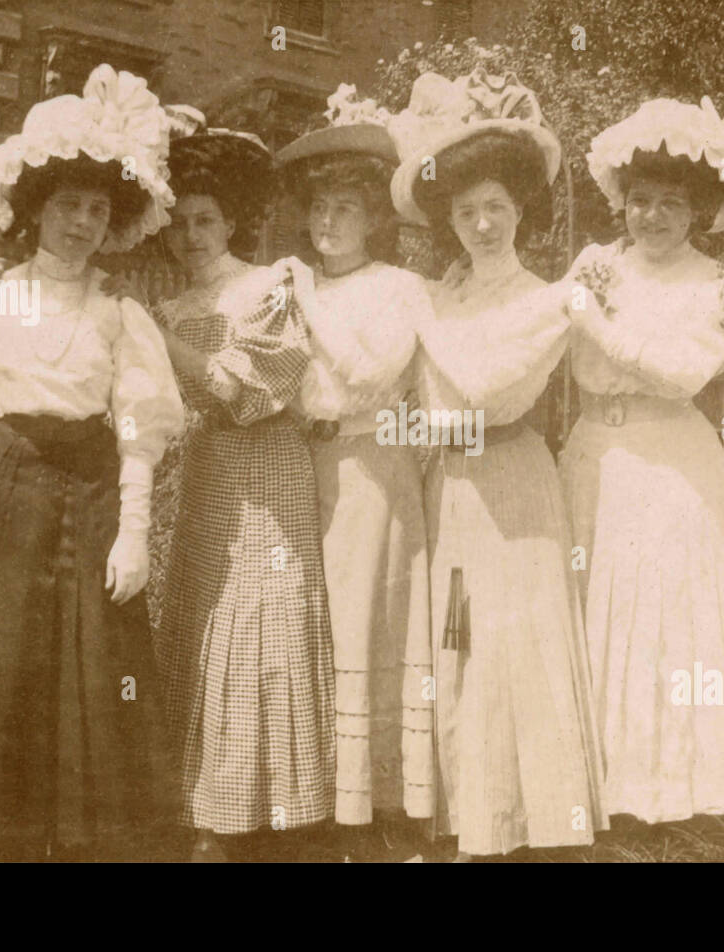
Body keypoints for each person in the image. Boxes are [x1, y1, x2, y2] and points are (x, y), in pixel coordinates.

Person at [0, 65, 184, 860]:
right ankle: (13, 829)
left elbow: (139, 429)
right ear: (36, 208)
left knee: (95, 656)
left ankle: (87, 830)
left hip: (95, 488)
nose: (83, 222)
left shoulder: (119, 314)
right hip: (7, 489)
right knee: (6, 654)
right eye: (69, 205)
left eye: (99, 209)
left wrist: (134, 532)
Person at [387, 68, 605, 860]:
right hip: (452, 487)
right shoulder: (442, 295)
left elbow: (487, 395)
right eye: (468, 211)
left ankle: (542, 820)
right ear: (450, 218)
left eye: (498, 210)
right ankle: (474, 815)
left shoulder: (545, 299)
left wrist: (427, 328)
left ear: (523, 214)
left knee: (518, 641)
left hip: (512, 479)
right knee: (463, 642)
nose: (483, 225)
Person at [559, 97, 724, 825]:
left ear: (700, 211)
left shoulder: (719, 281)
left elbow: (684, 375)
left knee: (666, 613)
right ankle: (595, 784)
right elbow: (560, 345)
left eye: (672, 204)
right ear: (621, 201)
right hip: (595, 456)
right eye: (640, 200)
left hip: (674, 463)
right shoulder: (595, 265)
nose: (651, 217)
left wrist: (602, 329)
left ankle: (677, 791)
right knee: (596, 606)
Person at [145, 116, 335, 862]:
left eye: (207, 220)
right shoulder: (165, 309)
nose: (194, 235)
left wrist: (162, 343)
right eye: (182, 223)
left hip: (270, 466)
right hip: (208, 472)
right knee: (207, 615)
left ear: (232, 222)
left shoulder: (268, 285)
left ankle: (284, 805)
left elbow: (245, 395)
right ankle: (211, 803)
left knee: (266, 617)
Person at [276, 86, 435, 859]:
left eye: (344, 208)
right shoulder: (291, 287)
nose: (327, 222)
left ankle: (382, 803)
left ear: (376, 219)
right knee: (311, 621)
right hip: (306, 462)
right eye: (319, 209)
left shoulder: (399, 288)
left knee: (372, 616)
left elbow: (373, 380)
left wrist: (306, 304)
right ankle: (314, 792)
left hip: (374, 465)